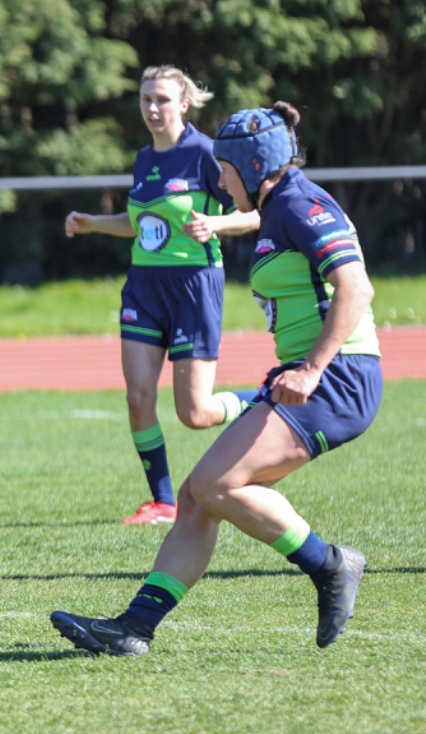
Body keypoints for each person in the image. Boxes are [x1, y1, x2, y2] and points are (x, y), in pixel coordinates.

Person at [51, 101, 381, 656]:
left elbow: (357, 289)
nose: (221, 182)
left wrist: (310, 369)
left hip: (337, 378)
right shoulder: (277, 208)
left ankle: (330, 565)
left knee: (216, 485)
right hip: (307, 375)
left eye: (226, 170)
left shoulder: (300, 204)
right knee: (196, 496)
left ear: (254, 165)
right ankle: (134, 628)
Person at [64, 65, 260, 525]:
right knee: (138, 397)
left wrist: (215, 223)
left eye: (163, 99)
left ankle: (265, 396)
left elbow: (252, 215)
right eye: (146, 99)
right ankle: (163, 502)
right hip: (145, 286)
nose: (153, 108)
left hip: (194, 284)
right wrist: (92, 223)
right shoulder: (144, 159)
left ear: (184, 103)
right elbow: (141, 224)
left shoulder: (206, 154)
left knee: (195, 413)